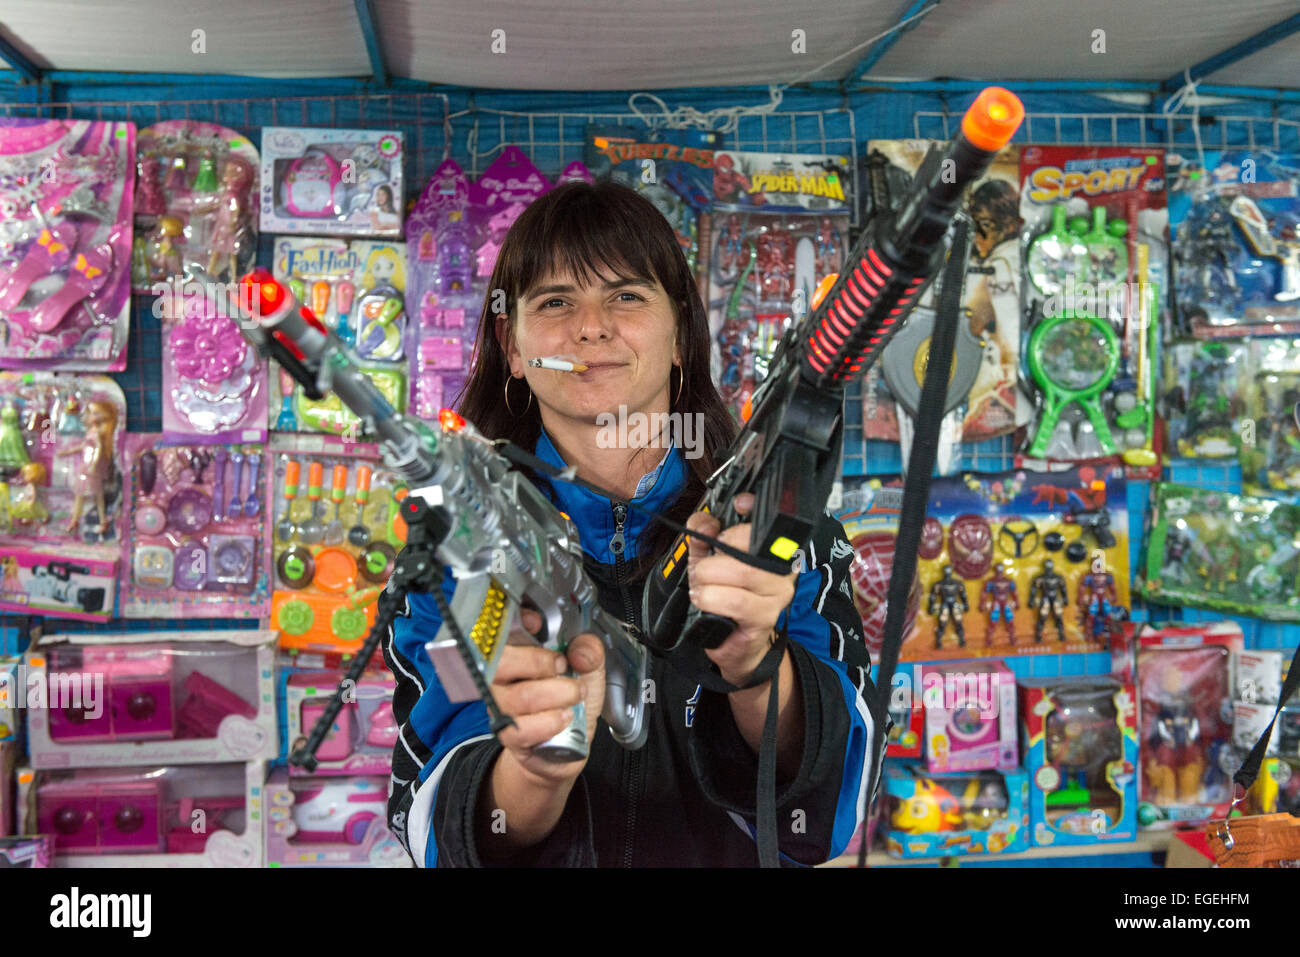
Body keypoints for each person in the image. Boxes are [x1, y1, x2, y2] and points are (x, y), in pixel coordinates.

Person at [382, 181, 879, 867]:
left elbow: (822, 820)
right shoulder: (455, 554)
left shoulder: (779, 528)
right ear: (514, 346)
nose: (591, 326)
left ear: (680, 333)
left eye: (625, 295)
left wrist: (755, 665)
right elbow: (441, 826)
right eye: (555, 301)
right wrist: (535, 771)